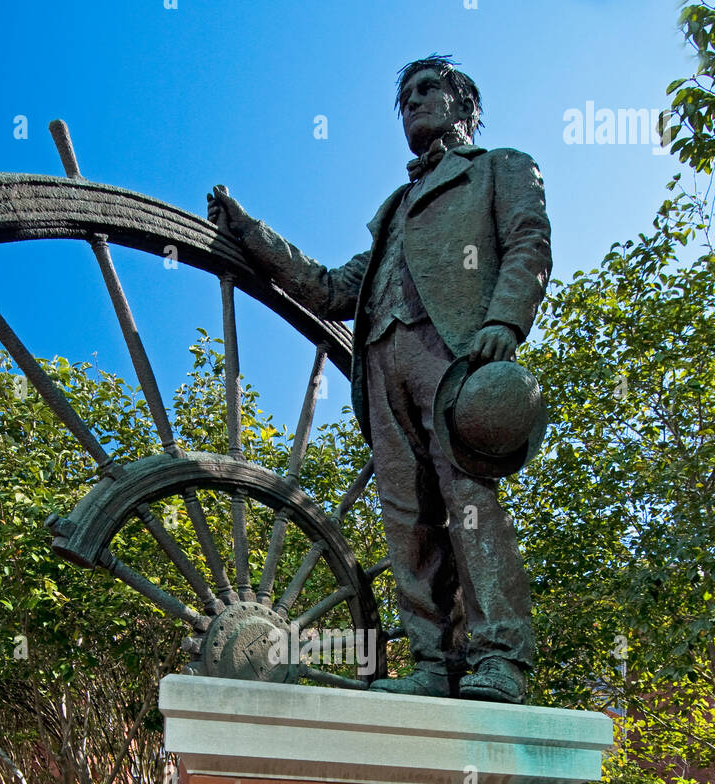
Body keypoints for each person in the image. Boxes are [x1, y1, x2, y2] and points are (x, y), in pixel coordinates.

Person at [207, 54, 552, 703]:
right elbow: (330, 288)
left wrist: (504, 320)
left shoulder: (500, 168)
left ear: (462, 104)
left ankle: (500, 658)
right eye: (405, 98)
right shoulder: (394, 214)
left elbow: (529, 243)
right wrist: (249, 232)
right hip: (380, 366)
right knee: (407, 521)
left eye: (428, 90)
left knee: (469, 506)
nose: (415, 102)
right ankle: (431, 663)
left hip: (451, 357)